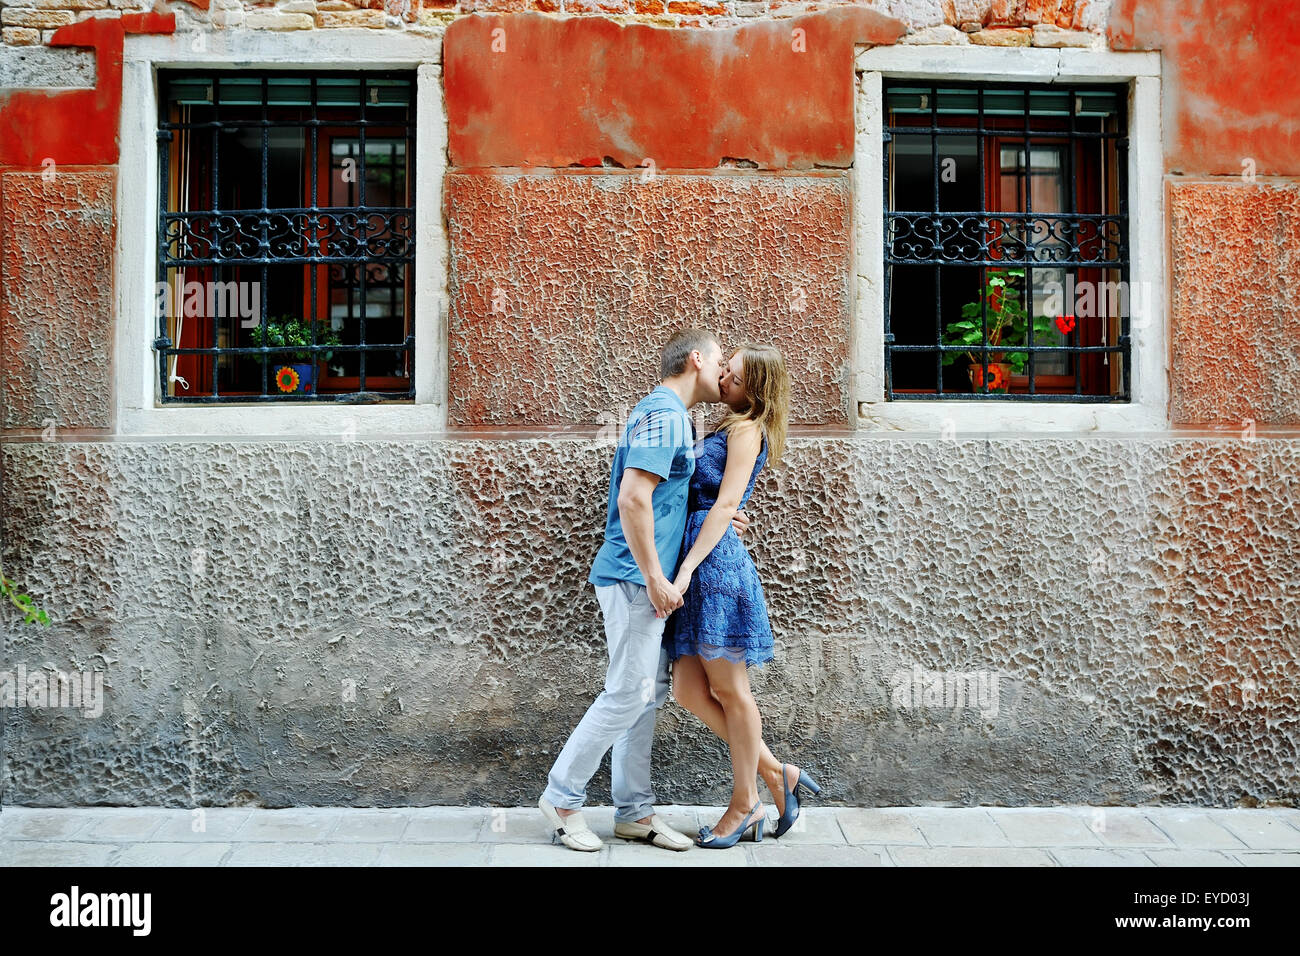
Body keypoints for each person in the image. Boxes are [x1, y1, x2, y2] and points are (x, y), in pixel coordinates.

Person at [538, 327, 750, 852]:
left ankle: (634, 812)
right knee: (627, 693)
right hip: (636, 578)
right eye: (719, 360)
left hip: (640, 577)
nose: (724, 372)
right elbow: (634, 499)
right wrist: (655, 576)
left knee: (645, 696)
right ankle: (563, 800)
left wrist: (716, 516)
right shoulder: (665, 416)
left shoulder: (671, 414)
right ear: (695, 359)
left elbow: (663, 501)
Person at [664, 343, 822, 848]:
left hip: (711, 569)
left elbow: (728, 498)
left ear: (756, 388)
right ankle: (779, 774)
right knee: (688, 691)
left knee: (733, 693)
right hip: (701, 553)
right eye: (725, 369)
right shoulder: (724, 426)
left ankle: (745, 803)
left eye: (733, 374)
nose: (724, 377)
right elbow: (711, 498)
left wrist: (687, 567)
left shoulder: (746, 429)